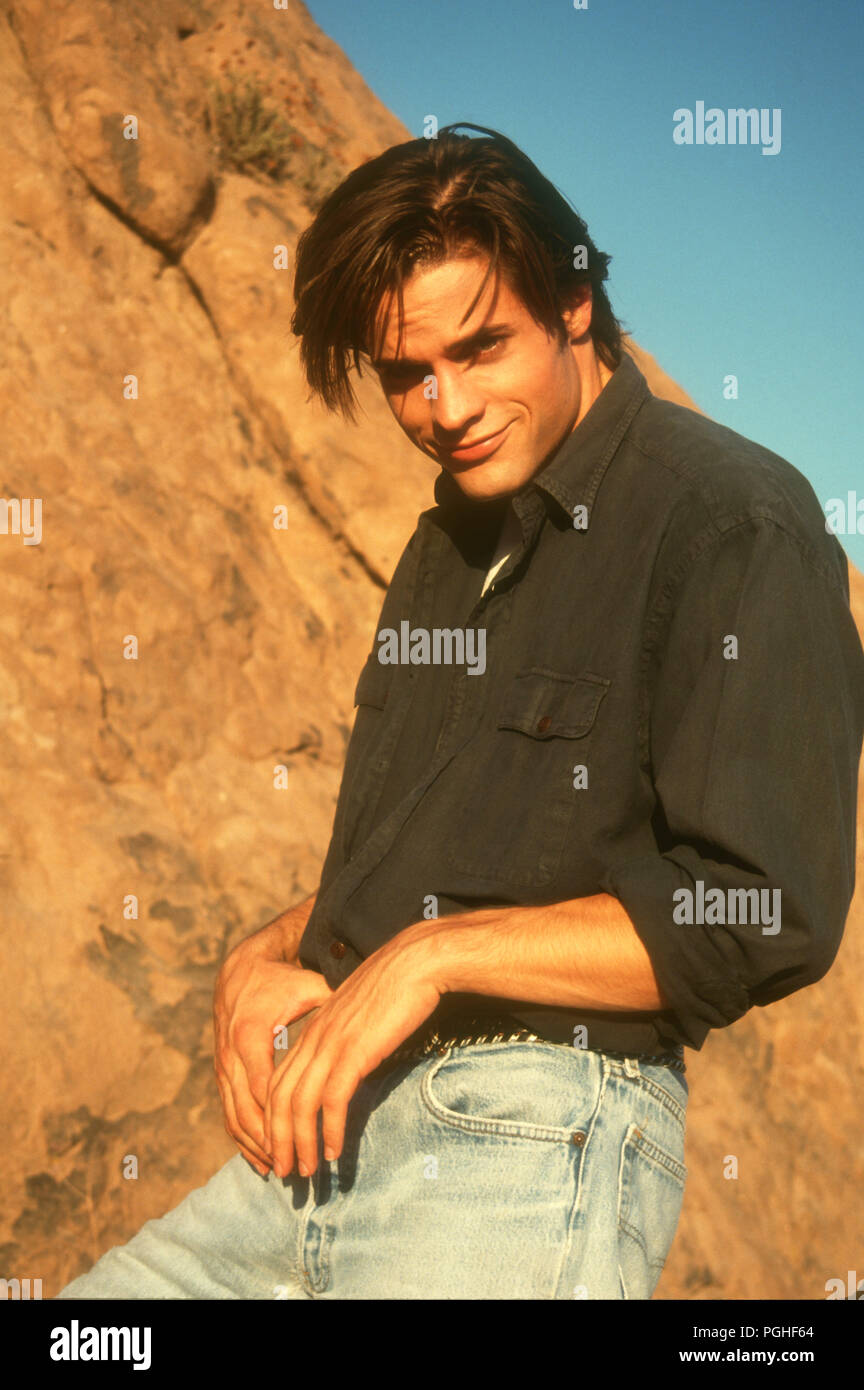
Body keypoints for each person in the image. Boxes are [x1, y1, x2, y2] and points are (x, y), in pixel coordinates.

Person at [57, 123, 864, 1301]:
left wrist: (437, 957)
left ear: (574, 304)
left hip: (531, 1141)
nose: (446, 406)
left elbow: (763, 907)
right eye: (406, 373)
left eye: (481, 348)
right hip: (319, 1146)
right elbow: (442, 847)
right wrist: (261, 957)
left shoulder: (733, 523)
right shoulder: (446, 550)